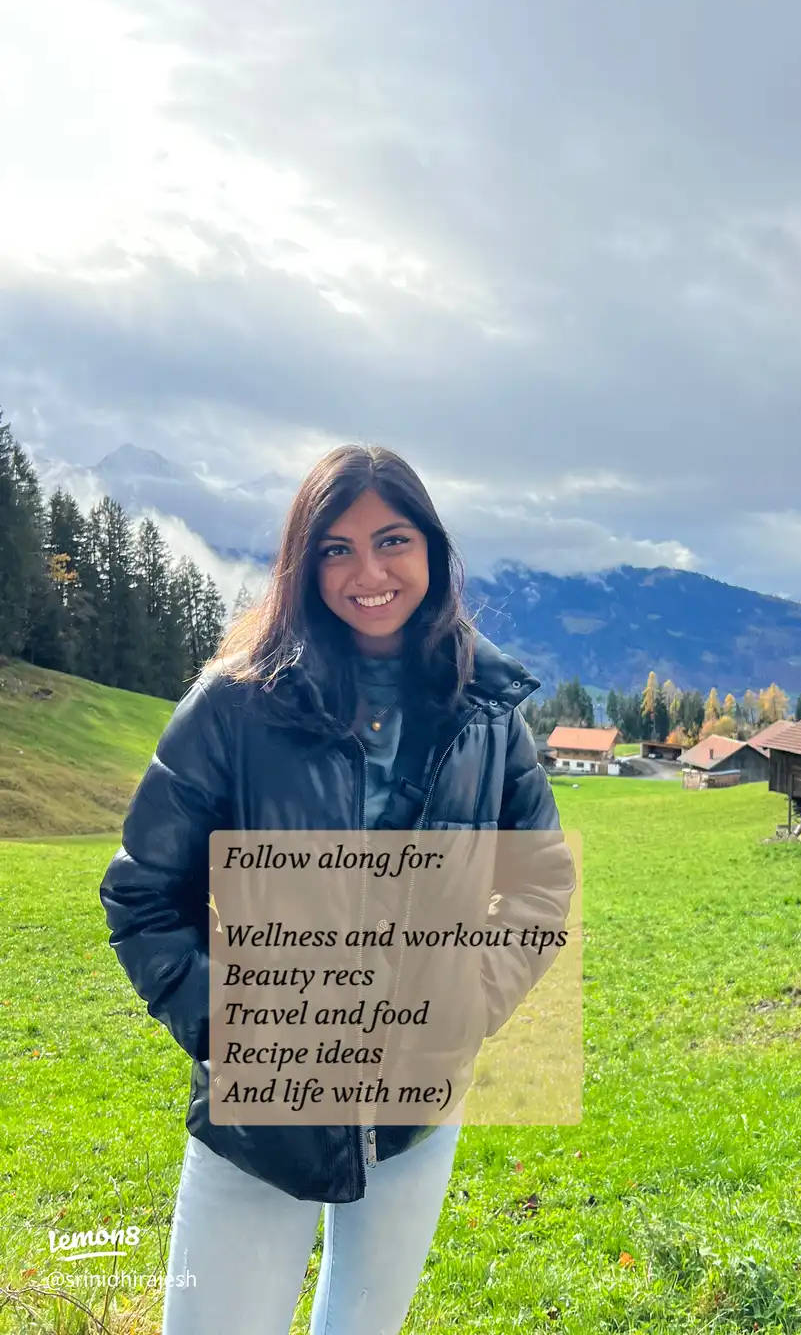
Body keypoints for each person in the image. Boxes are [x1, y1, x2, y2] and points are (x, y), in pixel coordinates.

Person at [99, 443, 576, 1335]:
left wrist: (468, 1005)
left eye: (391, 541)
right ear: (303, 564)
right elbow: (142, 896)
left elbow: (541, 878)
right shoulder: (236, 705)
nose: (368, 573)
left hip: (416, 1110)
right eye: (336, 549)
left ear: (431, 552)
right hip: (262, 1121)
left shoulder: (485, 709)